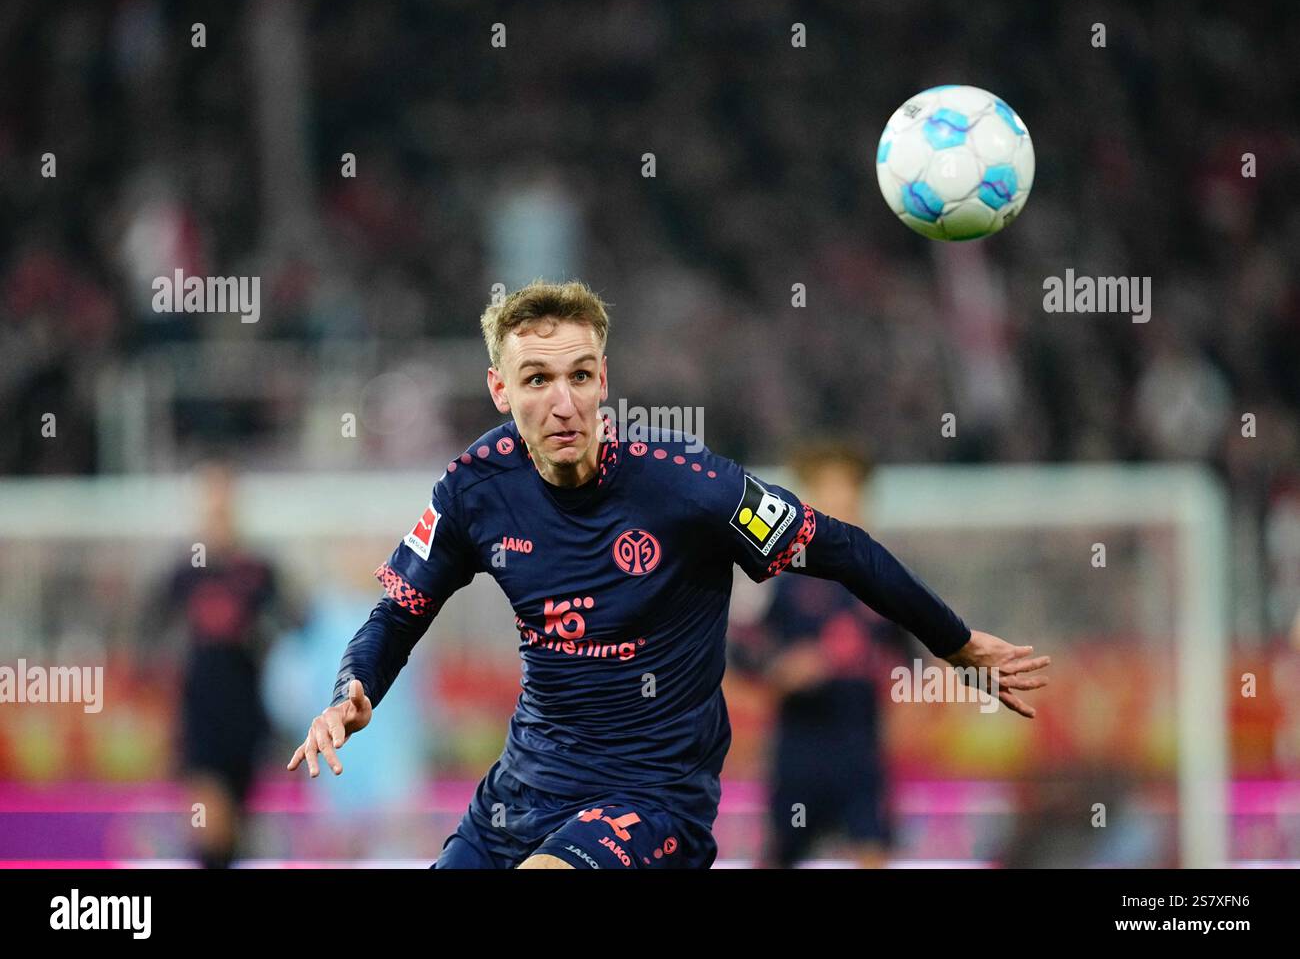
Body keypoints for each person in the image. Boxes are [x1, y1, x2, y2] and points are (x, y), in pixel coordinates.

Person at [286, 280, 1050, 869]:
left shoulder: (689, 485)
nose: (562, 403)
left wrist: (954, 643)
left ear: (603, 379)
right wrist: (353, 690)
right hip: (527, 785)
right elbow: (397, 613)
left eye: (580, 376)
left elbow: (841, 546)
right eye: (537, 379)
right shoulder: (473, 490)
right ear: (499, 390)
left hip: (652, 795)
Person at [729, 441, 910, 868]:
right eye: (827, 490)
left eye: (847, 490)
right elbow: (740, 649)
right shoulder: (773, 572)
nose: (840, 500)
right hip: (799, 751)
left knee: (872, 854)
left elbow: (911, 657)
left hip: (862, 750)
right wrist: (781, 669)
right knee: (780, 855)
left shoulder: (887, 577)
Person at [159, 461, 293, 868]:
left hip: (247, 718)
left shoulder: (260, 574)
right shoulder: (183, 576)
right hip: (200, 718)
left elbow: (291, 633)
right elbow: (153, 640)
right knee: (209, 824)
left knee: (236, 827)